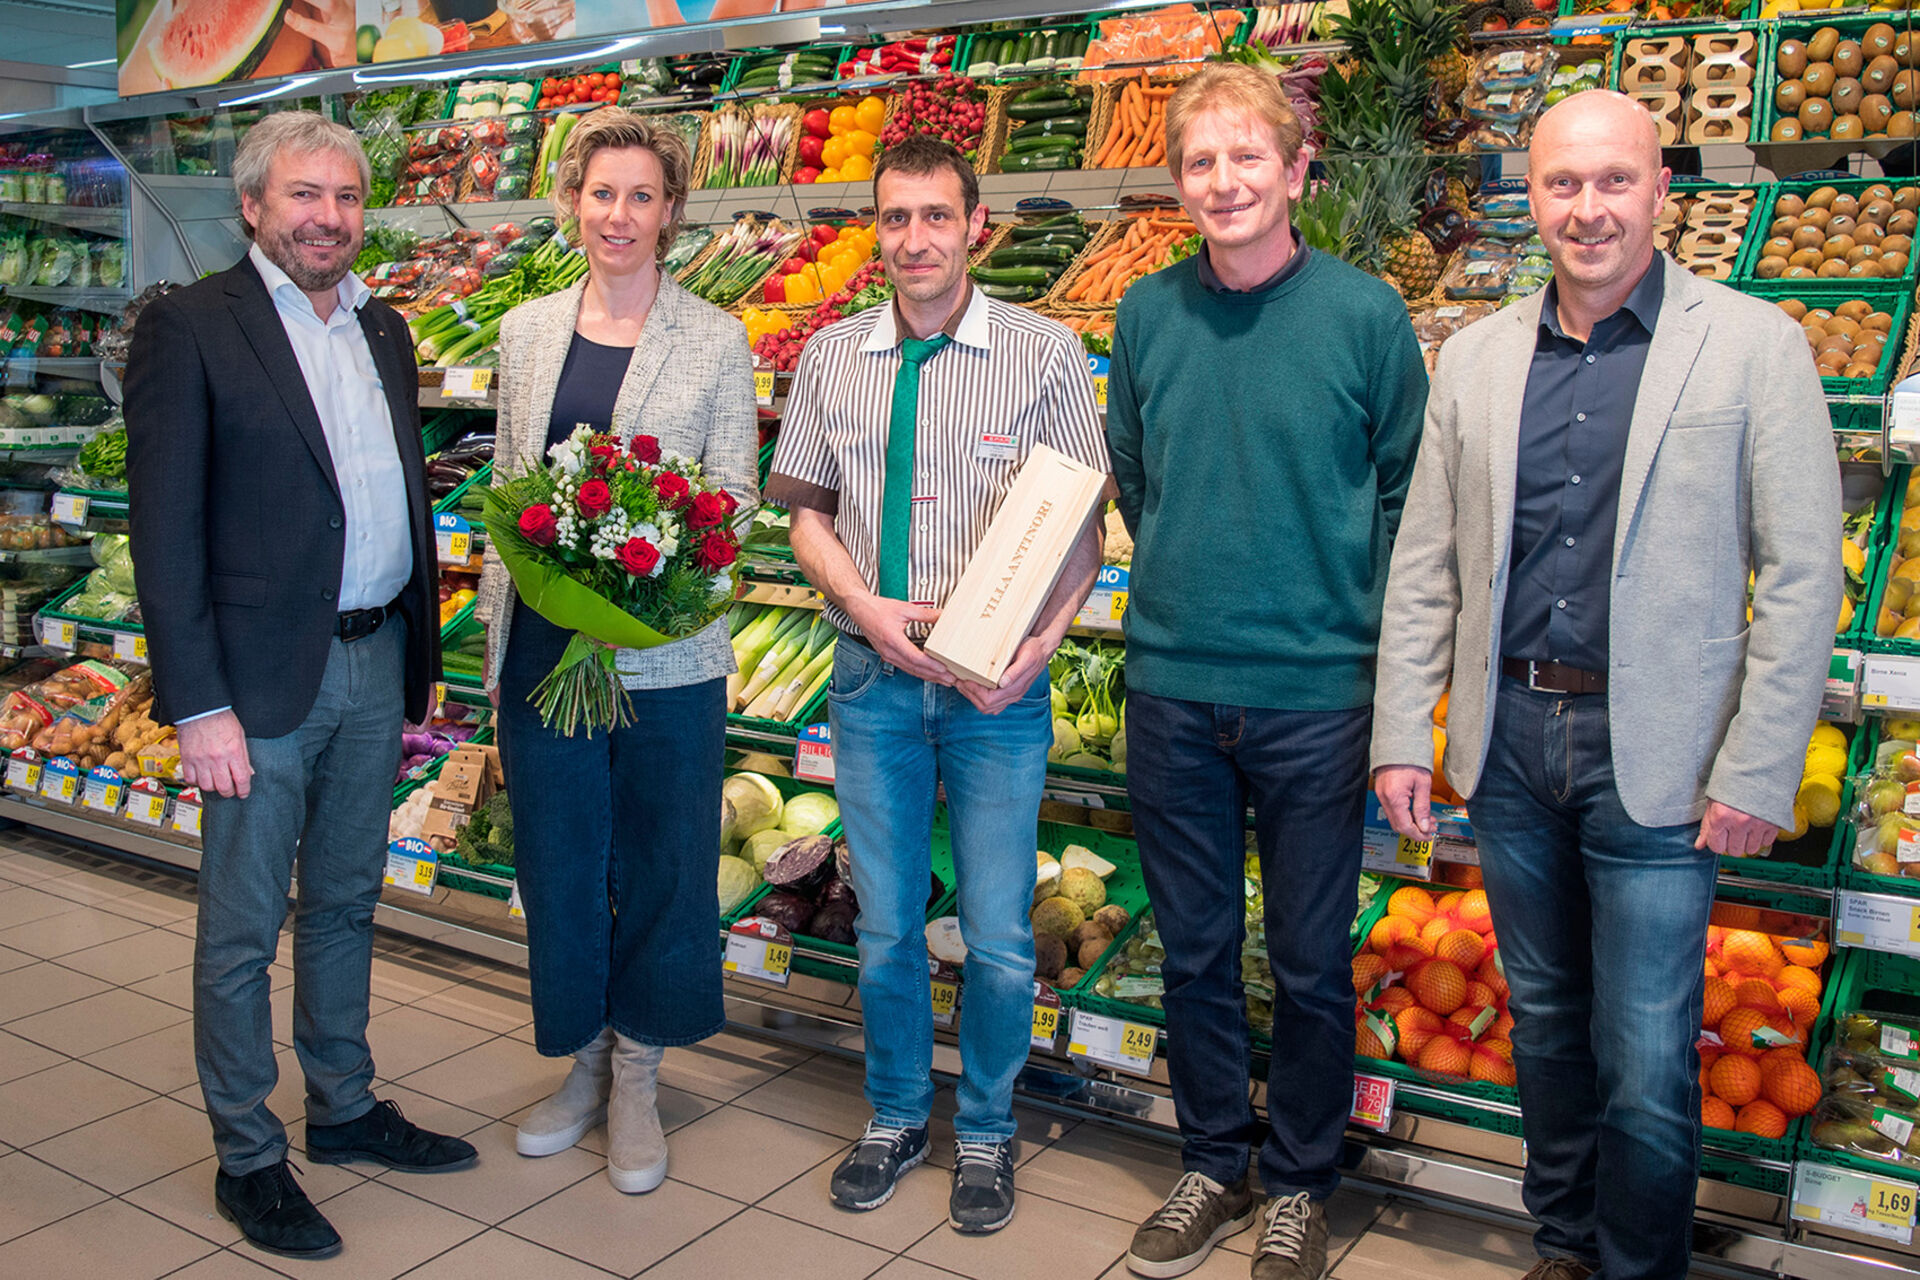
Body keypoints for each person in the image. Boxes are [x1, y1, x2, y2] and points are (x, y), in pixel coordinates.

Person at [1371, 91, 1840, 1280]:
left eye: (1615, 181)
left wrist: (1759, 766)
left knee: (1643, 1047)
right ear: (1532, 196)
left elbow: (1803, 574)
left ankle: (1639, 1265)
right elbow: (1426, 562)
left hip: (1663, 755)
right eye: (1563, 184)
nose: (1589, 209)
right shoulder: (1474, 358)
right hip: (1509, 742)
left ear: (1662, 191)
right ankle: (1567, 1245)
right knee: (1544, 1023)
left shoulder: (1754, 345)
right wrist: (1401, 731)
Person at [124, 111, 473, 1262]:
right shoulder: (191, 327)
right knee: (241, 926)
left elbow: (396, 496)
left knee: (344, 900)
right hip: (258, 680)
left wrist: (419, 658)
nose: (328, 217)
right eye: (304, 195)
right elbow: (164, 534)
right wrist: (197, 704)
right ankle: (246, 1153)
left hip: (375, 660)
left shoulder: (384, 326)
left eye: (346, 196)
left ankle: (344, 1102)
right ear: (254, 206)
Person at [1108, 63, 1428, 1280]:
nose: (1225, 181)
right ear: (1178, 180)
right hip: (1173, 685)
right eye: (1202, 161)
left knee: (1307, 958)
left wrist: (1368, 644)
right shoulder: (1146, 312)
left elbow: (1406, 498)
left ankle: (1298, 1180)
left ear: (1297, 170)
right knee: (1194, 948)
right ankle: (1211, 1158)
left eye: (1248, 157)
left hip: (1316, 695)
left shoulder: (1365, 316)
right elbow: (1134, 472)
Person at [767, 134, 1107, 1234]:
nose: (915, 239)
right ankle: (898, 1113)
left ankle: (991, 1127)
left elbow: (1082, 531)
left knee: (1000, 934)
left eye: (936, 216)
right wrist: (861, 603)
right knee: (886, 927)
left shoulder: (1043, 354)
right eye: (895, 217)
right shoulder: (832, 356)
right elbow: (806, 515)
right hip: (871, 680)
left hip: (994, 696)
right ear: (877, 229)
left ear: (975, 227)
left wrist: (1041, 647)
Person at [472, 107, 756, 1193]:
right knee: (557, 857)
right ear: (573, 202)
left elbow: (730, 501)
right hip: (544, 649)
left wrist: (645, 588)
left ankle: (639, 1068)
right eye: (602, 194)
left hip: (665, 652)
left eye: (642, 196)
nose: (619, 215)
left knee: (662, 858)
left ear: (671, 210)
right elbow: (510, 491)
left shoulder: (715, 337)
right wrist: (510, 631)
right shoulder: (527, 331)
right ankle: (582, 1058)